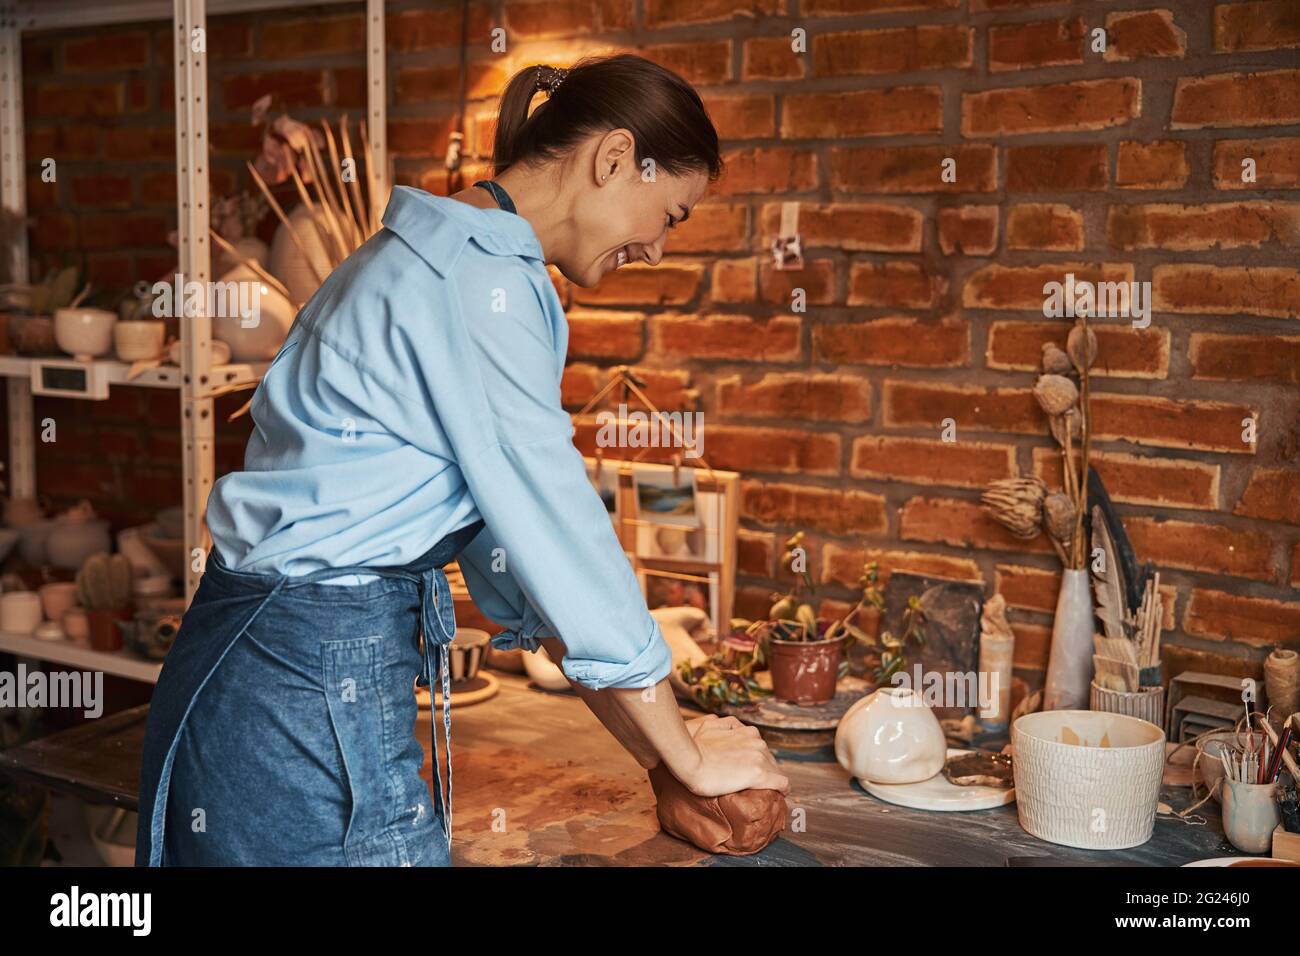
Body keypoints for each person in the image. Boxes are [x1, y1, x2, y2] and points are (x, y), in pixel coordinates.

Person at [136, 53, 788, 867]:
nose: (658, 249)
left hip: (259, 672)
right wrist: (692, 754)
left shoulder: (430, 259)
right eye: (671, 215)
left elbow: (527, 569)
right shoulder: (480, 283)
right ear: (615, 158)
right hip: (303, 689)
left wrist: (661, 759)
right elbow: (564, 535)